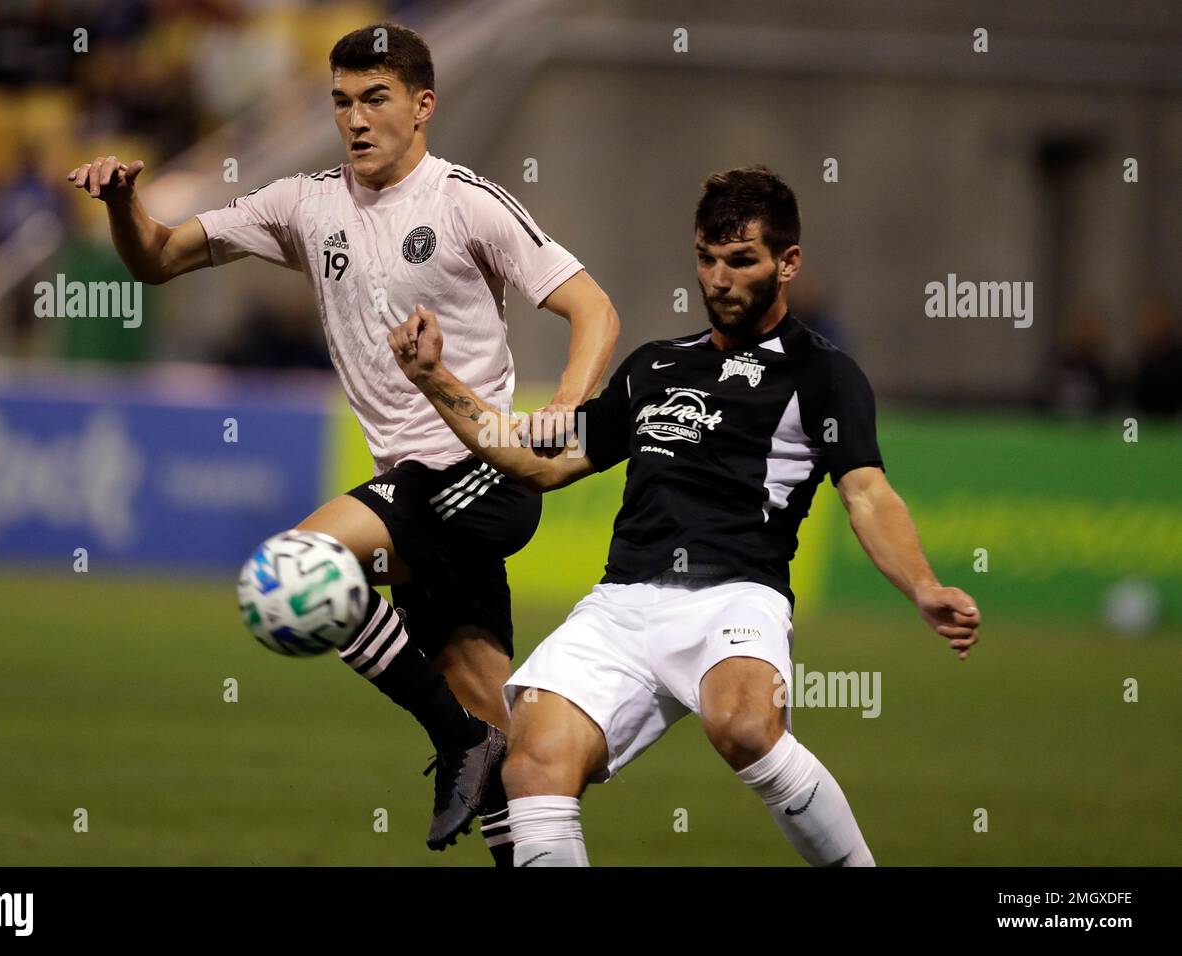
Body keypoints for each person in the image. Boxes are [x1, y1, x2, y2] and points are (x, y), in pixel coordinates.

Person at [66, 22, 619, 862]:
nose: (355, 119)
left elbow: (594, 308)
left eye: (375, 99)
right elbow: (160, 258)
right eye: (340, 102)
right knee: (510, 749)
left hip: (484, 476)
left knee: (294, 571)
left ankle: (451, 738)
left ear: (423, 105)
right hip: (414, 497)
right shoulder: (305, 205)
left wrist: (563, 416)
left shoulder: (465, 201)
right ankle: (481, 757)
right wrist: (120, 207)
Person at [391, 165, 981, 866]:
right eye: (706, 258)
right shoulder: (654, 367)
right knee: (530, 764)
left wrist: (924, 586)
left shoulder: (822, 376)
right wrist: (435, 380)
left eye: (741, 261)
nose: (719, 279)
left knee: (744, 725)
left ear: (787, 264)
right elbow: (538, 465)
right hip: (622, 604)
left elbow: (867, 493)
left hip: (735, 595)